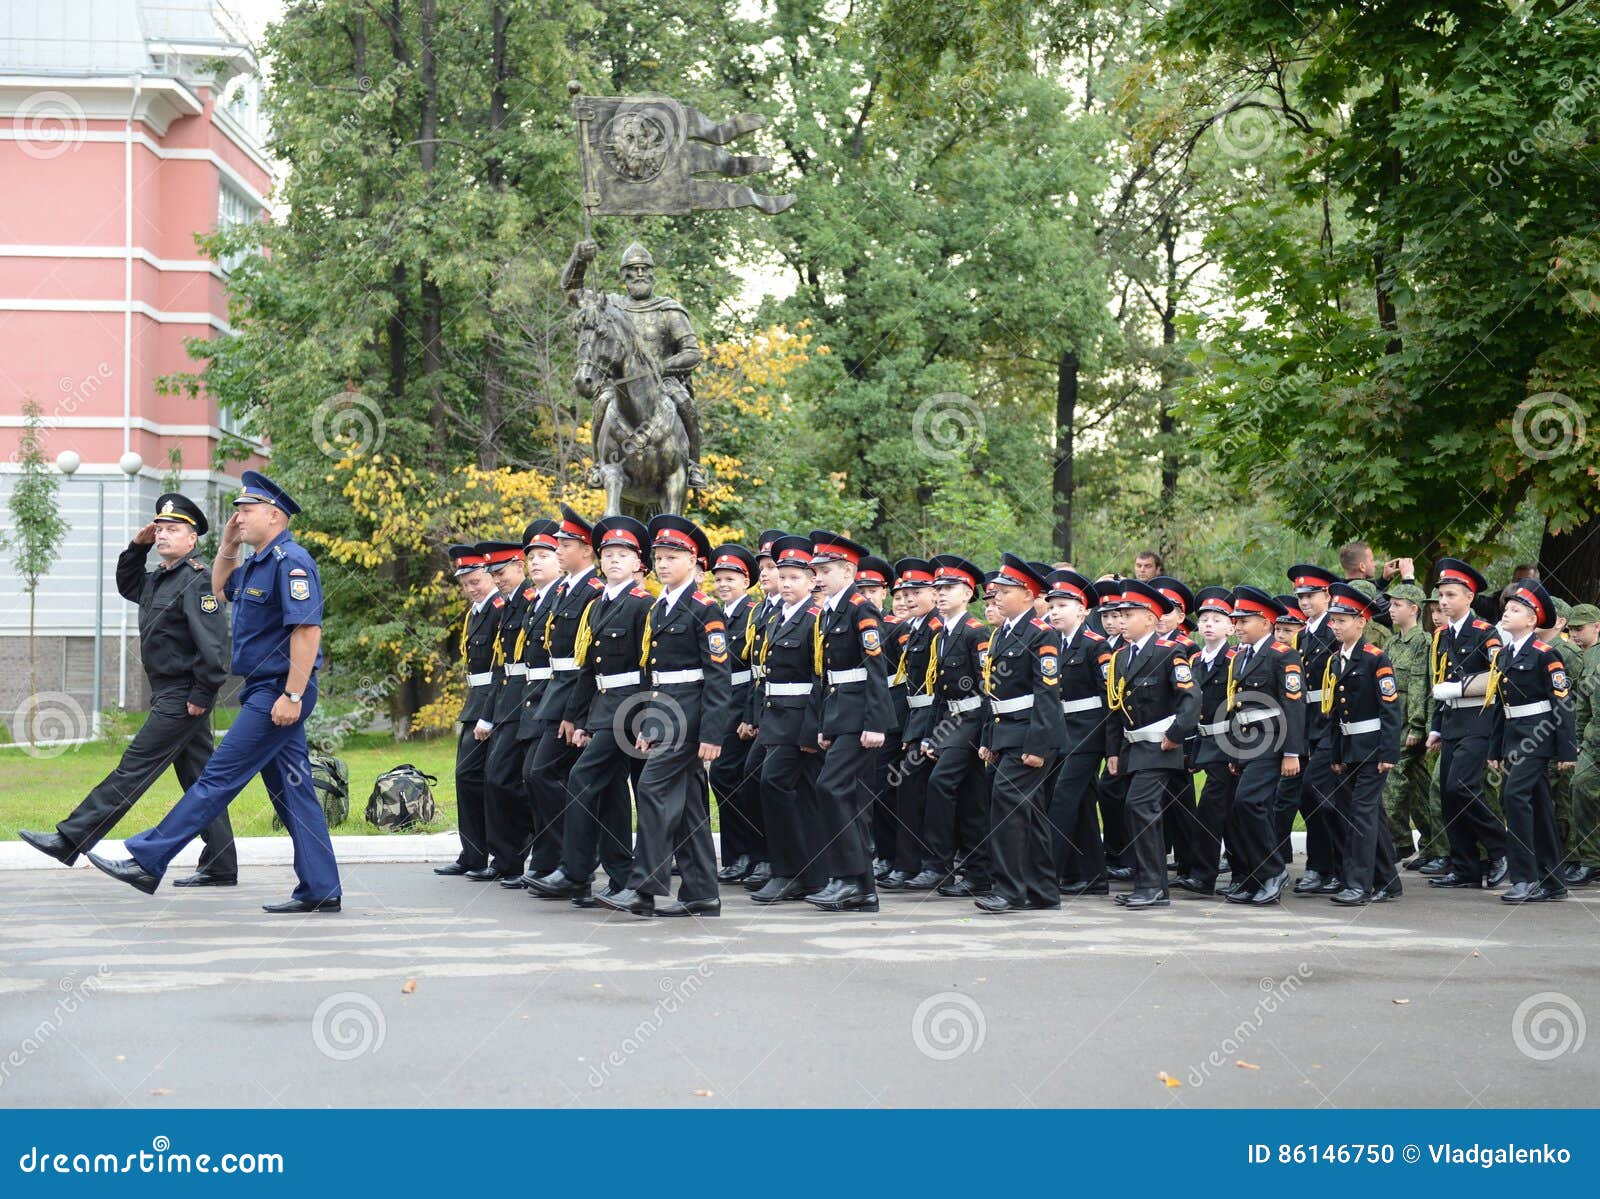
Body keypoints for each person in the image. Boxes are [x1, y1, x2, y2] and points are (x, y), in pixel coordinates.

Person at [86, 471, 342, 913]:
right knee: (293, 793)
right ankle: (321, 888)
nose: (238, 516)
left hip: (280, 692)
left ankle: (149, 858)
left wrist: (294, 696)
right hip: (265, 689)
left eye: (247, 510)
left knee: (217, 779)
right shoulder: (260, 562)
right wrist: (229, 545)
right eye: (238, 510)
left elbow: (306, 631)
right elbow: (221, 589)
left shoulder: (292, 562)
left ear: (274, 515)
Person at [20, 493, 235, 885]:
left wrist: (201, 696)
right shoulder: (160, 580)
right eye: (160, 529)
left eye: (174, 530)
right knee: (202, 781)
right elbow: (127, 583)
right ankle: (221, 863)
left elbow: (215, 647)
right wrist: (137, 547)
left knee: (132, 769)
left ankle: (70, 839)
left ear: (193, 539)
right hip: (169, 693)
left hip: (182, 695)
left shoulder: (198, 580)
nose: (164, 535)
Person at [601, 516, 734, 917]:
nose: (662, 564)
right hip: (667, 712)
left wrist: (712, 733)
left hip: (691, 715)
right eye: (658, 557)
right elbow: (654, 674)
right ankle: (701, 893)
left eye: (672, 557)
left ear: (694, 562)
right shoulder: (660, 607)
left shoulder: (703, 609)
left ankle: (644, 887)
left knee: (652, 789)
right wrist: (647, 723)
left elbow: (718, 677)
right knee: (691, 806)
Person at [545, 515, 652, 905]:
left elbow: (648, 668)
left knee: (582, 778)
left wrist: (646, 717)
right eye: (607, 554)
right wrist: (576, 717)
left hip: (630, 709)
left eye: (623, 554)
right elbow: (588, 668)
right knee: (608, 793)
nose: (613, 561)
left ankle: (575, 872)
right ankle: (620, 876)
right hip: (603, 708)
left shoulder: (644, 605)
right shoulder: (597, 605)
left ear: (640, 563)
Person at [562, 239, 708, 488]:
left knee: (686, 405)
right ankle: (599, 466)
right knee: (601, 404)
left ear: (652, 274)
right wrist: (579, 258)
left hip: (664, 382)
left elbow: (692, 352)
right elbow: (572, 290)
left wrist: (660, 367)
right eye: (633, 271)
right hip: (621, 384)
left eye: (644, 270)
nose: (639, 275)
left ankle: (693, 466)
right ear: (624, 277)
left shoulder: (668, 310)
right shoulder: (610, 307)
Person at [805, 530, 892, 912]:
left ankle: (847, 877)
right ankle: (861, 888)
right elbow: (827, 675)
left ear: (847, 570)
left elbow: (875, 669)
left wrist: (875, 723)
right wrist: (826, 723)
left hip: (861, 717)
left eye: (825, 570)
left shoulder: (861, 608)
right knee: (849, 796)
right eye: (816, 570)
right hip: (841, 714)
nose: (818, 577)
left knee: (830, 787)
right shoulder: (828, 611)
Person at [522, 506, 605, 900]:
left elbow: (587, 662)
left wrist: (576, 714)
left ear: (587, 550)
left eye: (566, 545)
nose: (558, 550)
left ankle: (577, 864)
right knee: (544, 776)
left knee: (548, 775)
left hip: (576, 695)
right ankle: (567, 862)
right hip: (555, 692)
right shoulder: (565, 589)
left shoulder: (593, 592)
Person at [1103, 579, 1200, 909]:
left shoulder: (1169, 652)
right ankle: (1151, 884)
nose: (1122, 620)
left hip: (1161, 747)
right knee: (1137, 810)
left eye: (1128, 614)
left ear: (1149, 617)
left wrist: (1176, 734)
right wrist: (1113, 752)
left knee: (1140, 806)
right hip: (1133, 750)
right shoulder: (1120, 657)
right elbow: (1115, 709)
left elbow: (1191, 698)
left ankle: (1153, 886)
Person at [977, 556, 1065, 912]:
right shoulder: (1003, 632)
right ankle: (1043, 893)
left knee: (1008, 806)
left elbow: (1047, 694)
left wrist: (1038, 745)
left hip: (1030, 734)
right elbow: (992, 691)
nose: (996, 596)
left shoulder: (1041, 634)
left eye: (1006, 590)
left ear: (1028, 594)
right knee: (1031, 814)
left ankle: (1009, 890)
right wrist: (988, 738)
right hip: (1006, 732)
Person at [748, 535, 826, 904]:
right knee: (800, 795)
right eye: (784, 576)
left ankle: (789, 871)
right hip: (776, 717)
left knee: (774, 784)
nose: (788, 583)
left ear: (812, 581)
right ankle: (811, 874)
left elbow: (819, 678)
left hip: (800, 721)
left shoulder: (814, 619)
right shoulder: (777, 618)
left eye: (796, 577)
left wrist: (812, 729)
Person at [1489, 579, 1576, 902]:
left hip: (1538, 735)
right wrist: (1495, 748)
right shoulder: (1503, 655)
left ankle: (1526, 877)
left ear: (1532, 620)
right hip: (1513, 737)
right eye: (1507, 608)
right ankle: (1554, 880)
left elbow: (1562, 703)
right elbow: (1501, 705)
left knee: (1513, 798)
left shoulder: (1545, 654)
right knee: (1538, 806)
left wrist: (1567, 748)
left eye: (1516, 610)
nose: (1507, 613)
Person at [911, 555, 993, 896]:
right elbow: (938, 693)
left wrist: (987, 734)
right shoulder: (940, 636)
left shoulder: (976, 633)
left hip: (973, 722)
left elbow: (989, 688)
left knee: (940, 783)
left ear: (967, 593)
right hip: (950, 721)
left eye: (949, 588)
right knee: (972, 798)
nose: (941, 593)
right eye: (938, 588)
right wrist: (931, 735)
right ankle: (977, 872)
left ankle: (938, 865)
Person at [1427, 559, 1509, 890]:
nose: (1443, 602)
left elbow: (1499, 672)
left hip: (1479, 719)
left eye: (1450, 595)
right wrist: (1435, 726)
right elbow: (1437, 681)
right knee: (1449, 795)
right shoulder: (1441, 635)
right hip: (1451, 721)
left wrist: (1462, 687)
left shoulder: (1484, 633)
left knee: (1462, 786)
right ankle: (1465, 867)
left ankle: (1501, 849)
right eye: (1441, 596)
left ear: (1469, 598)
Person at [1221, 587, 1305, 906]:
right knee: (1241, 809)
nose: (1238, 625)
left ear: (1266, 623)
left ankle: (1272, 870)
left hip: (1273, 739)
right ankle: (1254, 875)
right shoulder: (1241, 656)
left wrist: (1292, 752)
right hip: (1247, 742)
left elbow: (1293, 706)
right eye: (1236, 620)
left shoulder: (1283, 654)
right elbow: (1236, 707)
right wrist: (1234, 751)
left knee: (1249, 803)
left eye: (1245, 620)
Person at [1323, 583, 1404, 905]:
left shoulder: (1375, 658)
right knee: (1369, 815)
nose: (1335, 626)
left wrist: (1388, 753)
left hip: (1373, 750)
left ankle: (1358, 884)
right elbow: (1332, 711)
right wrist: (1336, 752)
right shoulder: (1335, 661)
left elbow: (1390, 709)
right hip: (1349, 747)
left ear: (1361, 622)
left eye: (1342, 620)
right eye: (1333, 620)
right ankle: (1388, 880)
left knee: (1361, 813)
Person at [1042, 569, 1113, 896]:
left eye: (1062, 605)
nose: (1054, 611)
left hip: (1088, 732)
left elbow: (1110, 700)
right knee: (1082, 803)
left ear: (1083, 610)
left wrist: (1112, 747)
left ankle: (1045, 876)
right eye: (1051, 605)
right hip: (1062, 732)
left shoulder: (1095, 646)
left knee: (1062, 800)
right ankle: (1092, 876)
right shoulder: (1052, 642)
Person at [437, 543, 505, 879]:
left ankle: (497, 854)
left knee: (491, 780)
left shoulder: (499, 608)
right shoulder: (475, 613)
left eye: (476, 581)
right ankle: (473, 853)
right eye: (465, 584)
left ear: (490, 577)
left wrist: (488, 714)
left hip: (491, 701)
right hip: (475, 699)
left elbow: (500, 667)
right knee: (467, 778)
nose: (470, 589)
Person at [505, 519, 565, 888]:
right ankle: (546, 860)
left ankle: (565, 858)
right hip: (534, 698)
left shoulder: (563, 596)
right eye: (532, 557)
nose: (536, 563)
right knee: (531, 777)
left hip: (555, 697)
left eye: (545, 555)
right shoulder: (537, 601)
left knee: (542, 775)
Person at [1173, 586, 1237, 897]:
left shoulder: (1235, 659)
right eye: (1205, 619)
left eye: (1217, 619)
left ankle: (1208, 875)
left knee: (1216, 809)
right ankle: (1206, 874)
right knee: (1217, 810)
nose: (1208, 624)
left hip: (1228, 744)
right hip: (1202, 742)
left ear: (1231, 626)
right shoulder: (1195, 659)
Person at [881, 558, 941, 891]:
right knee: (903, 789)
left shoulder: (935, 630)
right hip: (910, 717)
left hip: (931, 719)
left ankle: (924, 863)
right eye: (904, 593)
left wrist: (930, 732)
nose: (908, 599)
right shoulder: (913, 629)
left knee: (918, 790)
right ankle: (906, 862)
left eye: (917, 592)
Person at [1284, 564, 1344, 896]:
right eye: (1301, 597)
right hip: (1306, 724)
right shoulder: (1302, 635)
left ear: (1327, 595)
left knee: (1321, 793)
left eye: (1311, 596)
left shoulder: (1333, 631)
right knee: (1309, 798)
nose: (1305, 602)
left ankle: (1334, 865)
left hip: (1329, 722)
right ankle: (1320, 866)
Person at [479, 540, 535, 881]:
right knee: (496, 778)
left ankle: (524, 850)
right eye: (493, 574)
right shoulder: (509, 606)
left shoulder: (530, 601)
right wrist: (489, 713)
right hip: (507, 698)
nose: (497, 580)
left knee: (516, 779)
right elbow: (502, 665)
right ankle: (506, 860)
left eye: (501, 572)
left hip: (528, 697)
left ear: (519, 566)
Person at [706, 542, 762, 883]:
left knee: (732, 776)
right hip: (722, 700)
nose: (723, 584)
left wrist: (750, 715)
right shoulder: (717, 614)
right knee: (726, 777)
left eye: (731, 578)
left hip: (743, 701)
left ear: (746, 581)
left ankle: (750, 853)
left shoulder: (753, 615)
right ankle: (737, 855)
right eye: (719, 578)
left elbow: (756, 668)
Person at [1381, 582, 1447, 870]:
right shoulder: (1391, 643)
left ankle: (1401, 844)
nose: (1391, 609)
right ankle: (1432, 847)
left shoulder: (1424, 642)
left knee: (1393, 785)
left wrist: (1419, 727)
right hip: (1394, 723)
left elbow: (1423, 686)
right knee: (1421, 791)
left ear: (1413, 609)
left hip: (1411, 726)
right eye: (1390, 604)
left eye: (1397, 605)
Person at [736, 531, 787, 892]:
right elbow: (758, 673)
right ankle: (762, 854)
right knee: (751, 777)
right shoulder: (761, 611)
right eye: (764, 567)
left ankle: (778, 859)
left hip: (792, 712)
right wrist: (752, 716)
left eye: (773, 567)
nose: (767, 573)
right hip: (765, 706)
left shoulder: (794, 609)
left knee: (769, 780)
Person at [1565, 603, 1600, 885]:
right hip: (1592, 741)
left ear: (1597, 626)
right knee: (1580, 787)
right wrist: (1576, 741)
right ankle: (1591, 860)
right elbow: (1582, 708)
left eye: (1580, 628)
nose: (1574, 634)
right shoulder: (1586, 659)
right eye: (1571, 629)